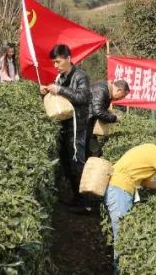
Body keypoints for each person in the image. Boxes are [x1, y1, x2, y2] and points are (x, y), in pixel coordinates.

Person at [40, 44, 91, 210]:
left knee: (77, 163)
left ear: (68, 59)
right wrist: (46, 91)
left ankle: (85, 204)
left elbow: (82, 96)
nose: (55, 65)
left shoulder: (80, 76)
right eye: (54, 62)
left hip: (78, 126)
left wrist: (60, 89)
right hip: (65, 126)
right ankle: (76, 199)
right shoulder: (60, 77)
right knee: (68, 163)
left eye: (58, 61)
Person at [87, 79, 130, 158]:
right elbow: (98, 112)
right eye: (123, 95)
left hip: (87, 124)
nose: (122, 98)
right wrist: (114, 118)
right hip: (83, 125)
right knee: (95, 151)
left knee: (93, 151)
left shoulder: (106, 91)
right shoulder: (102, 90)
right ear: (119, 90)